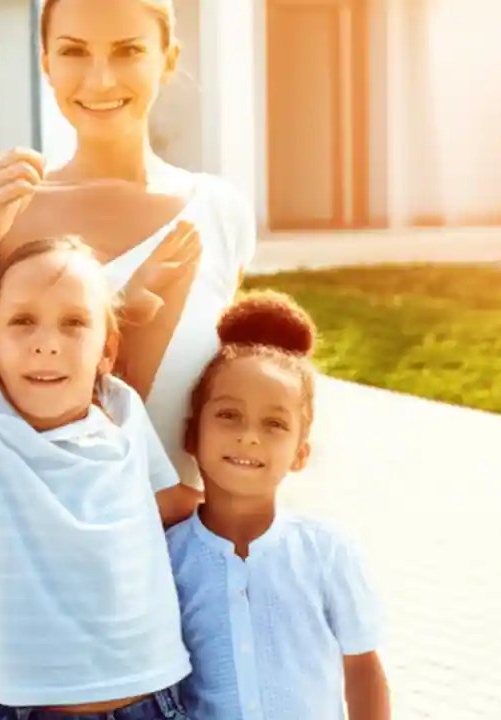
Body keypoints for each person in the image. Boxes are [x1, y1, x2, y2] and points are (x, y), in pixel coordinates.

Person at [0, 0, 259, 716]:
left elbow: (220, 395)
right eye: (74, 50)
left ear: (168, 59)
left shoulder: (220, 211)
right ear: (44, 60)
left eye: (129, 51)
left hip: (189, 581)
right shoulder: (8, 213)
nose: (100, 76)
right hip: (40, 606)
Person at [0, 202, 195, 717]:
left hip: (150, 701)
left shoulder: (122, 409)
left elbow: (170, 505)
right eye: (22, 322)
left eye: (74, 324)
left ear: (106, 350)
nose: (46, 344)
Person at [167, 291, 391, 719]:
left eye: (274, 424)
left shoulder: (326, 551)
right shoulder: (169, 557)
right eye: (229, 415)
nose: (249, 437)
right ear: (191, 436)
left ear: (300, 453)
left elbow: (362, 667)